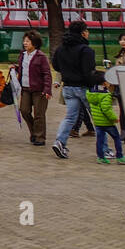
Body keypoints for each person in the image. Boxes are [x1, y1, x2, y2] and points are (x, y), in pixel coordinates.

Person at [51, 21, 96, 159]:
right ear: (83, 33)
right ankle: (104, 148)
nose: (88, 33)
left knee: (70, 117)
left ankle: (60, 141)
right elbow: (89, 72)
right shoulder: (86, 50)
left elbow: (56, 66)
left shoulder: (60, 49)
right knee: (98, 117)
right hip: (83, 87)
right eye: (87, 31)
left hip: (68, 88)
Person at [16, 31, 52, 146]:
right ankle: (34, 132)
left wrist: (47, 89)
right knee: (24, 111)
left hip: (39, 90)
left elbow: (47, 74)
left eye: (28, 41)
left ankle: (40, 137)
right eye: (24, 41)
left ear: (35, 43)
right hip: (25, 88)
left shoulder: (41, 57)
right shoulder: (22, 55)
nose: (25, 43)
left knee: (39, 114)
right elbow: (24, 68)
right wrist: (16, 68)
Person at [87, 73, 125, 165]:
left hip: (97, 122)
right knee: (116, 138)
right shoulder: (105, 95)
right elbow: (106, 109)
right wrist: (114, 118)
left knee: (100, 140)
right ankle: (120, 156)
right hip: (107, 122)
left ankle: (100, 157)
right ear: (104, 83)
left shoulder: (91, 93)